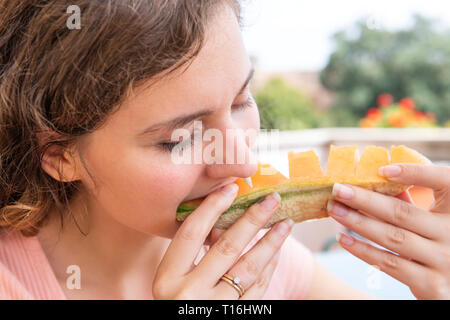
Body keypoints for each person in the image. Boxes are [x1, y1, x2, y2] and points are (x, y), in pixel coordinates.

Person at [0, 0, 449, 300]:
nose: (243, 162)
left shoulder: (255, 257)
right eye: (181, 138)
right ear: (60, 154)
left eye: (241, 101)